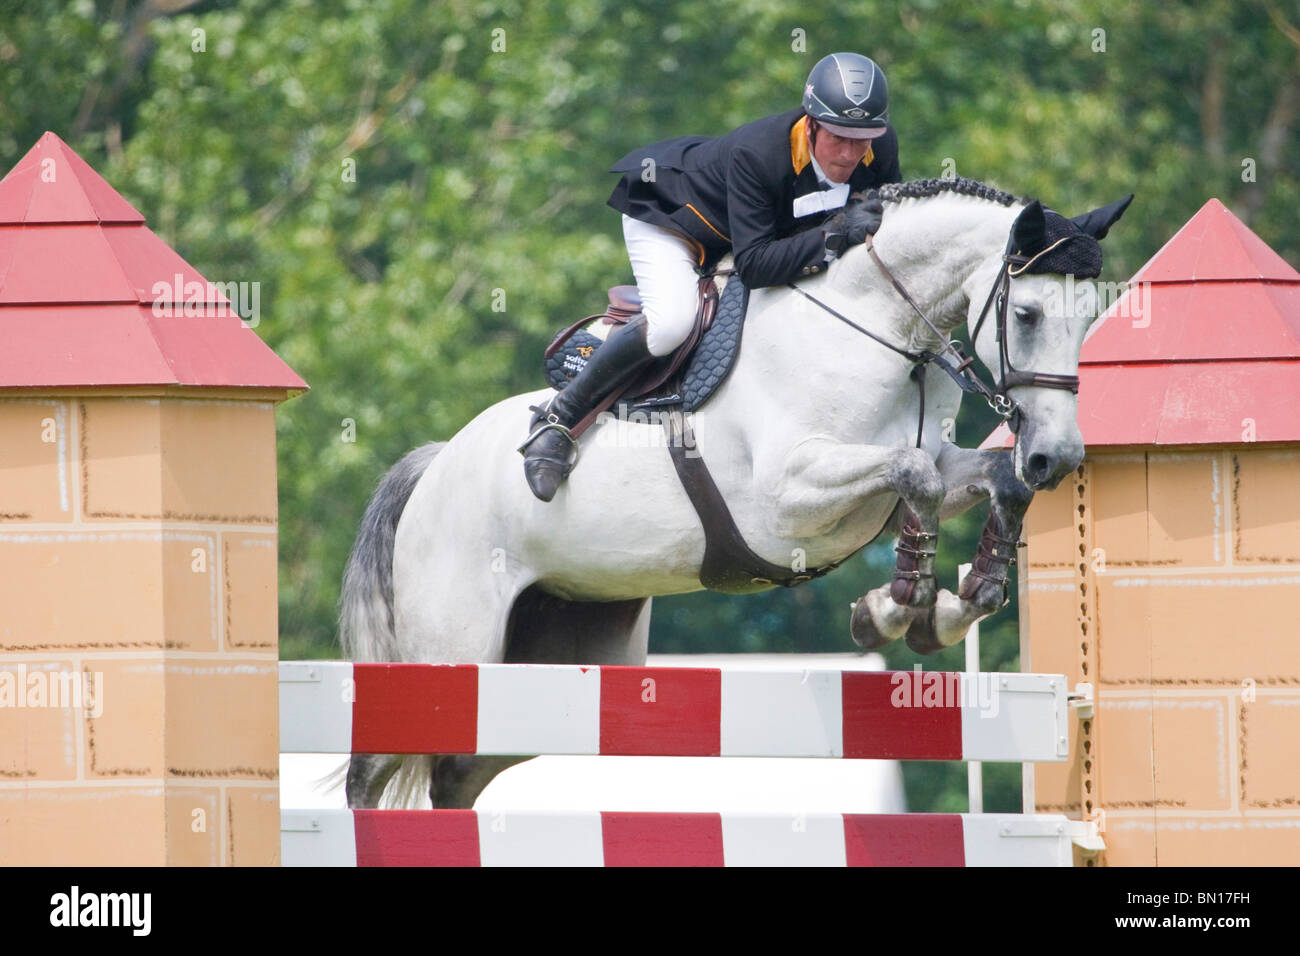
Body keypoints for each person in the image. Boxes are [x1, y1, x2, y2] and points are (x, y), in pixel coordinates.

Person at [519, 52, 902, 501]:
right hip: (673, 219)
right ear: (812, 123)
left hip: (744, 232)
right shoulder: (758, 154)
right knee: (672, 324)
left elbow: (878, 229)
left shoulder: (878, 146)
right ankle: (557, 419)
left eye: (863, 140)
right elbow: (757, 265)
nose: (852, 153)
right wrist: (834, 235)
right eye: (839, 138)